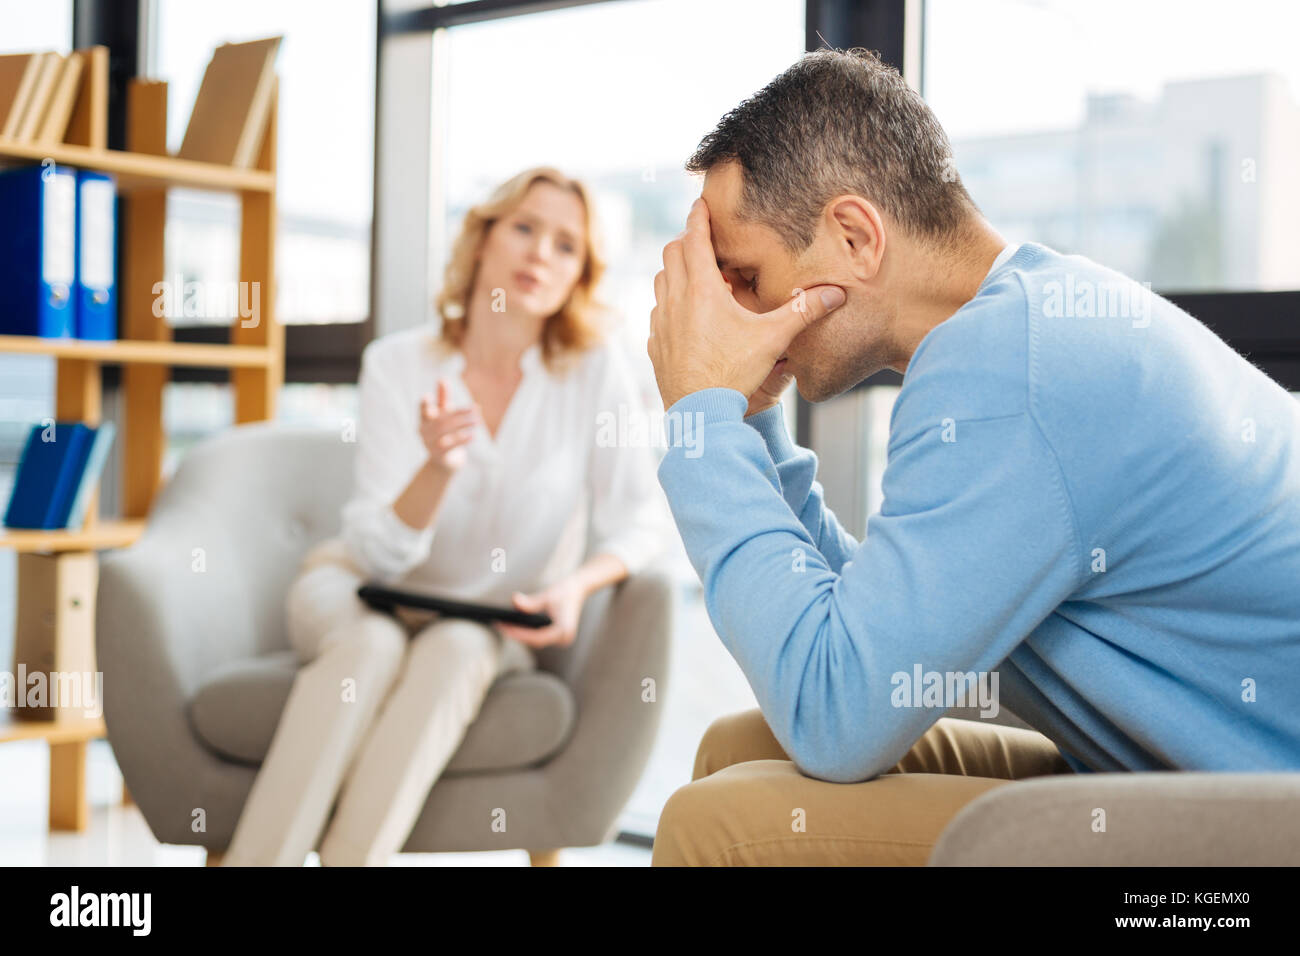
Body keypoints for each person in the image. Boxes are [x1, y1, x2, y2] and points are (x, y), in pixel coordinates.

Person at [645, 48, 1300, 866]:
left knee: (724, 827)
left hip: (1268, 822)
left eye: (743, 277)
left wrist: (699, 421)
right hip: (1196, 780)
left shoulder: (1009, 371)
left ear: (853, 236)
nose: (729, 313)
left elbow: (834, 713)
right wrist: (742, 414)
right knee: (745, 749)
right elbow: (870, 636)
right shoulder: (1028, 321)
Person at [224, 167, 666, 866]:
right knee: (369, 650)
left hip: (485, 619)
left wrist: (574, 588)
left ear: (579, 274)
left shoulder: (592, 373)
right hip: (359, 588)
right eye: (524, 228)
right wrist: (437, 469)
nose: (539, 255)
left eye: (565, 246)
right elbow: (375, 554)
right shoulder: (397, 364)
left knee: (455, 652)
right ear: (483, 238)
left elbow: (640, 522)